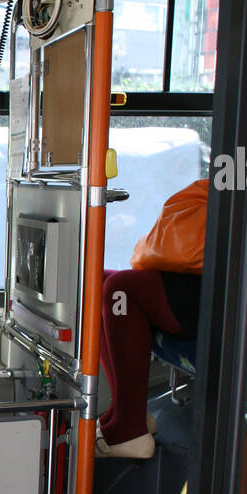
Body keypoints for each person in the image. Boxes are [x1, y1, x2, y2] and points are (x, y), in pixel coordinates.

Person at [97, 180, 206, 459]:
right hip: (201, 275)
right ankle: (125, 411)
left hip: (223, 293)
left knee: (120, 289)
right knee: (99, 282)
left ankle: (129, 429)